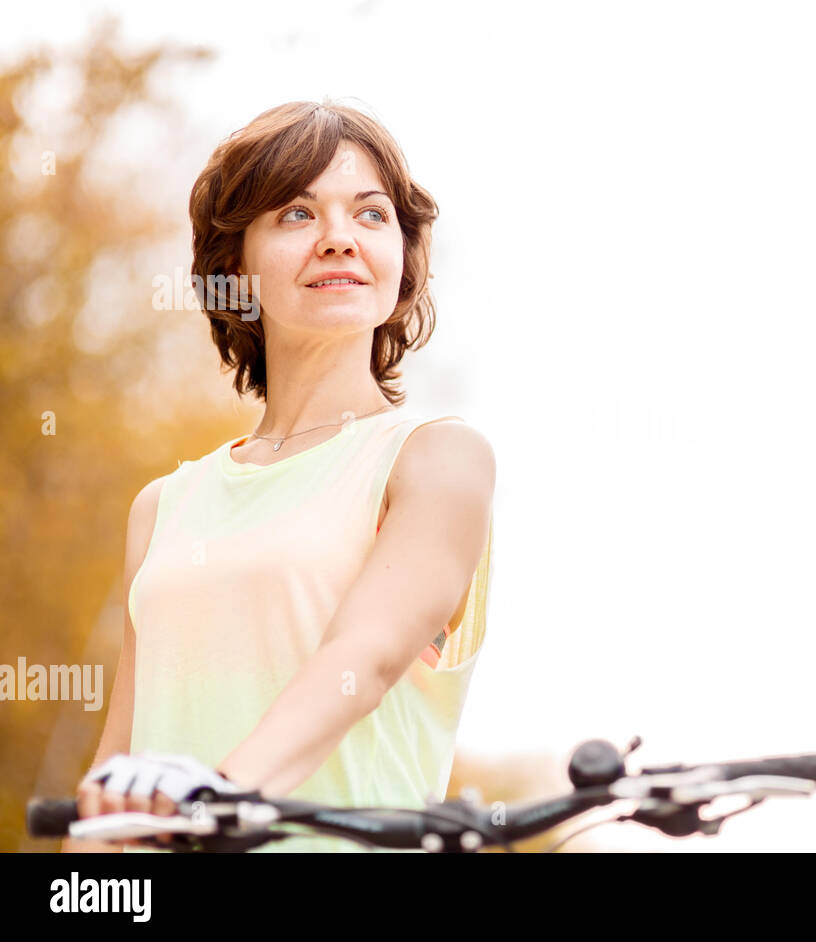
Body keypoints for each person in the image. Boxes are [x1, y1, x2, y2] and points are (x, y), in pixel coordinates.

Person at [63, 100, 495, 852]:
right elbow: (120, 768)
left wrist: (219, 796)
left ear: (402, 256)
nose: (338, 240)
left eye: (371, 214)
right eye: (296, 215)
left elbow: (366, 654)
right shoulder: (164, 506)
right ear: (235, 267)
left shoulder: (433, 458)